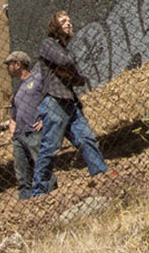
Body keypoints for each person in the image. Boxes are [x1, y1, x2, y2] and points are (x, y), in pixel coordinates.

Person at [32, 11, 108, 194]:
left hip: (69, 102)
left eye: (69, 20)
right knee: (50, 146)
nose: (68, 23)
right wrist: (71, 71)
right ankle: (39, 191)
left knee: (86, 138)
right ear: (54, 25)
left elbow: (79, 78)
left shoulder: (65, 48)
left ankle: (100, 175)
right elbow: (66, 62)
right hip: (54, 101)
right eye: (63, 21)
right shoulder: (47, 44)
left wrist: (70, 72)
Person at [4, 51, 46, 199]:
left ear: (18, 64)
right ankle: (25, 202)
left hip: (34, 131)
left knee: (41, 167)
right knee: (21, 175)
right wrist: (13, 130)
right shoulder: (18, 91)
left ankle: (48, 196)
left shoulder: (38, 79)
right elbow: (13, 115)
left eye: (9, 64)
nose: (7, 68)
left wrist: (44, 118)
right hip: (19, 136)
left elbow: (50, 99)